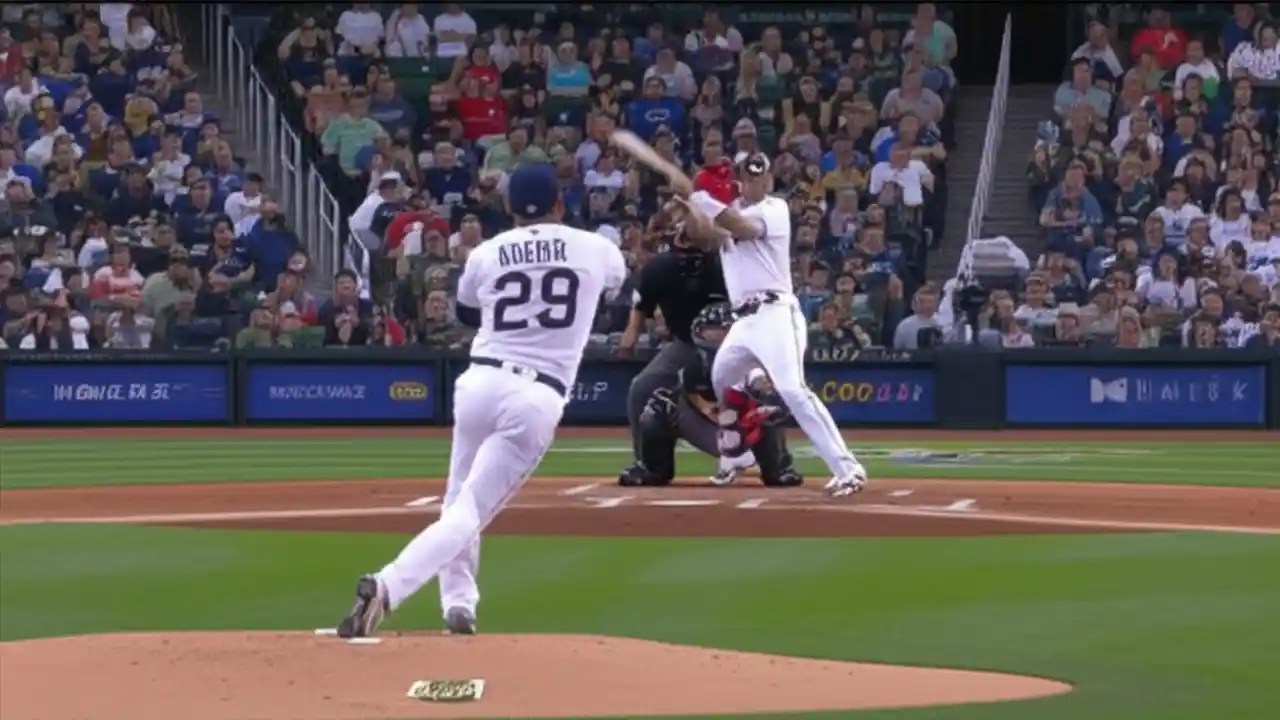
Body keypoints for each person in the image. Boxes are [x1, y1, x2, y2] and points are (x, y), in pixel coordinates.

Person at [336, 164, 627, 638]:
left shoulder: (488, 251)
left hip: (480, 382)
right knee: (469, 509)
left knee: (457, 498)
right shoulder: (596, 248)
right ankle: (387, 586)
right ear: (560, 204)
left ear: (510, 209)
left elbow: (469, 310)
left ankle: (459, 603)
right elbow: (616, 288)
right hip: (536, 393)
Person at [654, 151, 868, 496]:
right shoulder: (728, 209)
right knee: (723, 381)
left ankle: (848, 469)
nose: (756, 182)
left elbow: (742, 227)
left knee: (794, 390)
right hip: (744, 320)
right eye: (750, 176)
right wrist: (690, 201)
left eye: (761, 176)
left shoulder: (774, 209)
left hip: (775, 313)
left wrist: (700, 198)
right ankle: (737, 455)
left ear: (768, 179)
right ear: (739, 179)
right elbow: (700, 234)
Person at [627, 300, 802, 488]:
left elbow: (760, 382)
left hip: (746, 430)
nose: (714, 335)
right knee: (659, 405)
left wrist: (763, 394)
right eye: (710, 329)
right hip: (712, 427)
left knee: (766, 409)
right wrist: (720, 418)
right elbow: (696, 399)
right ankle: (653, 470)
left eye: (720, 329)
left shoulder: (748, 358)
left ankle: (778, 469)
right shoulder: (695, 363)